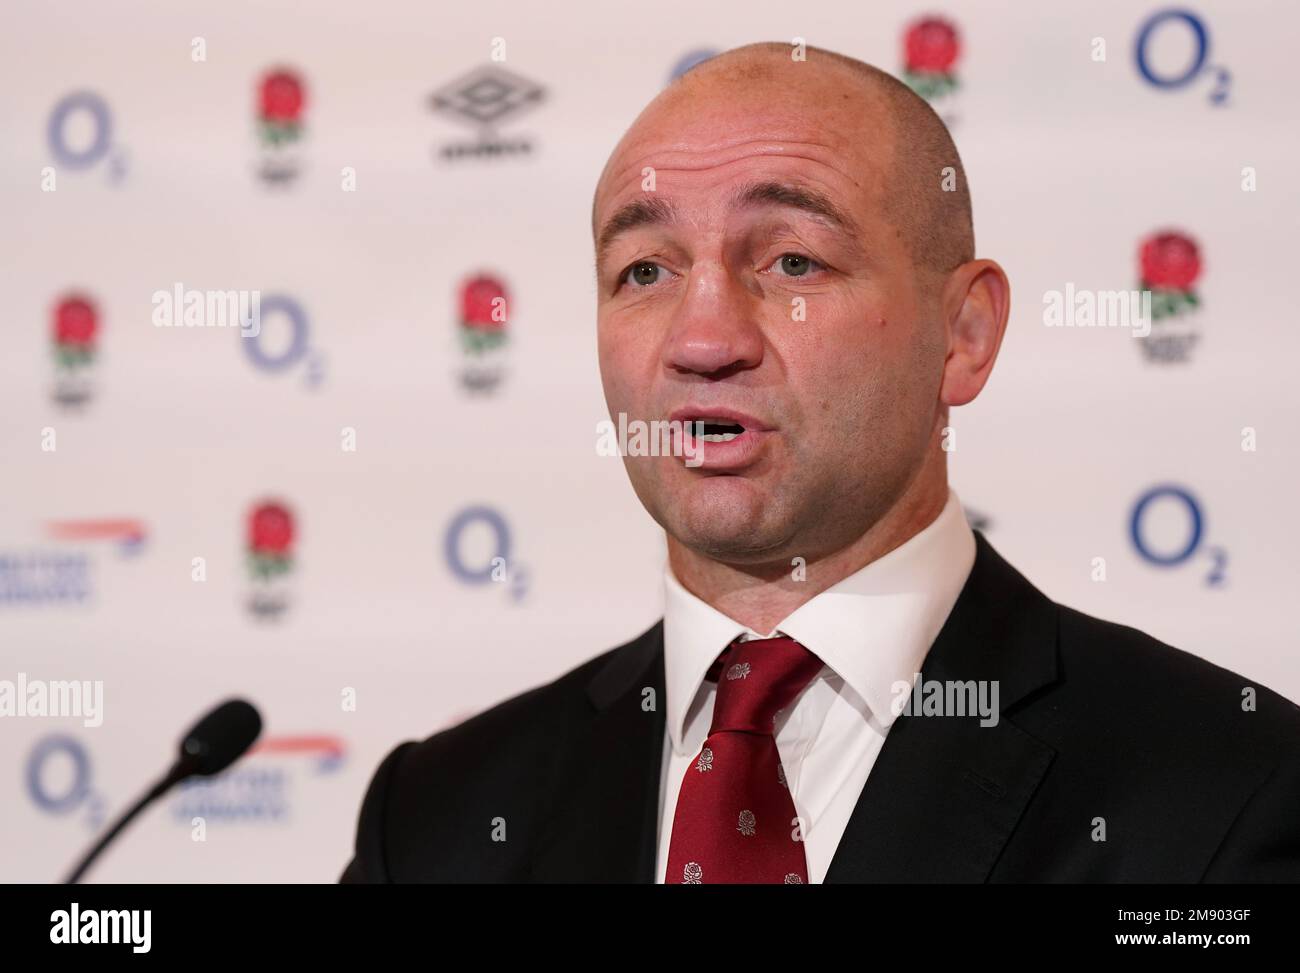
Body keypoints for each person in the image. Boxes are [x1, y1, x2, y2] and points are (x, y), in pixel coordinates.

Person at [341, 42, 1300, 883]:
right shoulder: (436, 818)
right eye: (644, 271)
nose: (702, 339)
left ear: (963, 334)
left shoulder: (1230, 790)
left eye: (793, 261)